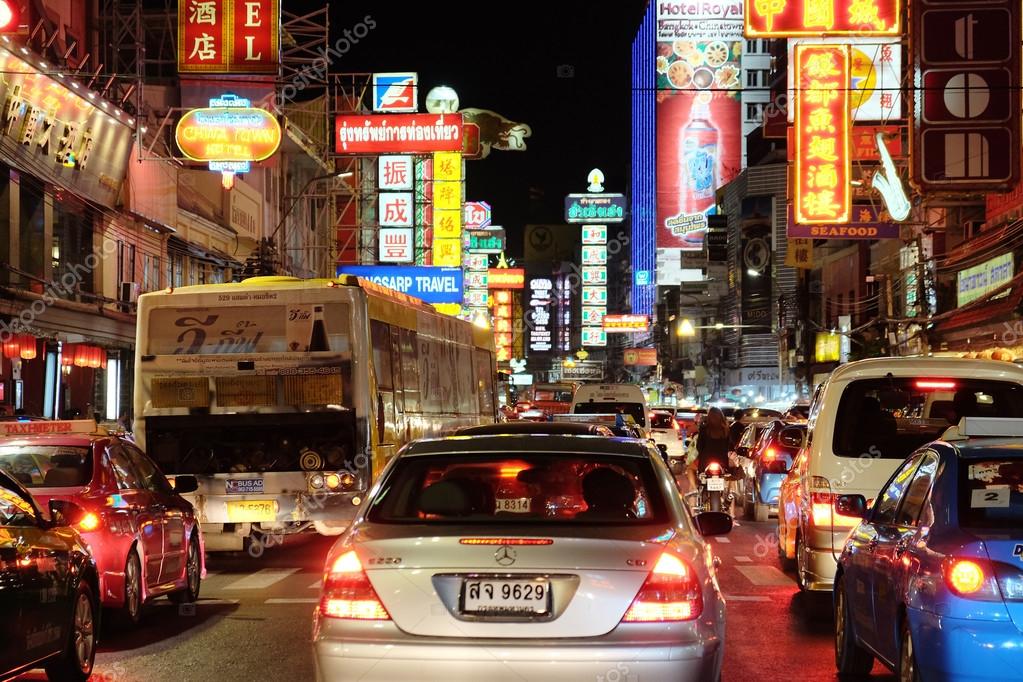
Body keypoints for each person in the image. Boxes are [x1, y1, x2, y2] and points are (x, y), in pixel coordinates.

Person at [688, 407, 731, 492]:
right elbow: (728, 446)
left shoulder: (704, 429)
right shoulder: (726, 430)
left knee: (690, 468)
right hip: (722, 461)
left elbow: (699, 446)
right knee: (728, 476)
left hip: (705, 461)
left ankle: (694, 489)